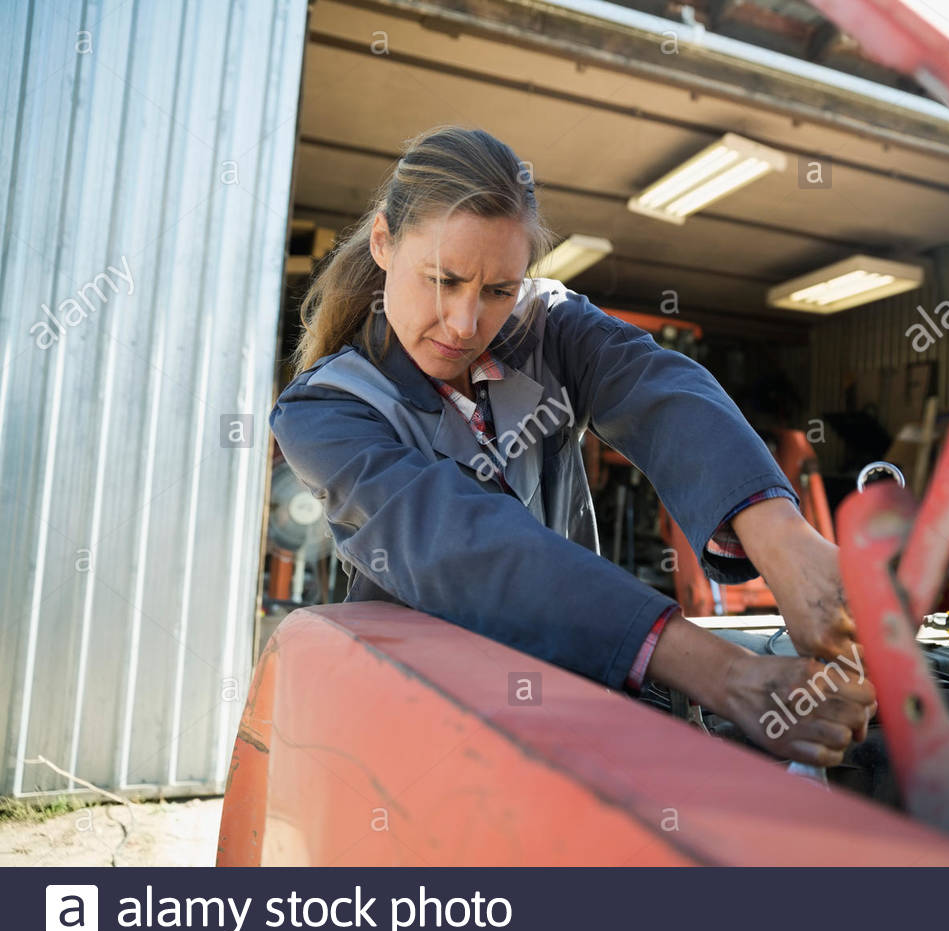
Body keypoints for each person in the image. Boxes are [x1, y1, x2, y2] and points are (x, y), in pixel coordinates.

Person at [270, 126, 876, 768]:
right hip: (425, 734)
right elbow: (468, 549)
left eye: (499, 290)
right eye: (443, 280)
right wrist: (730, 677)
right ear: (384, 242)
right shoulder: (325, 410)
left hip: (567, 708)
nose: (466, 324)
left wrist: (787, 544)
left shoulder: (546, 326)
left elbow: (657, 386)